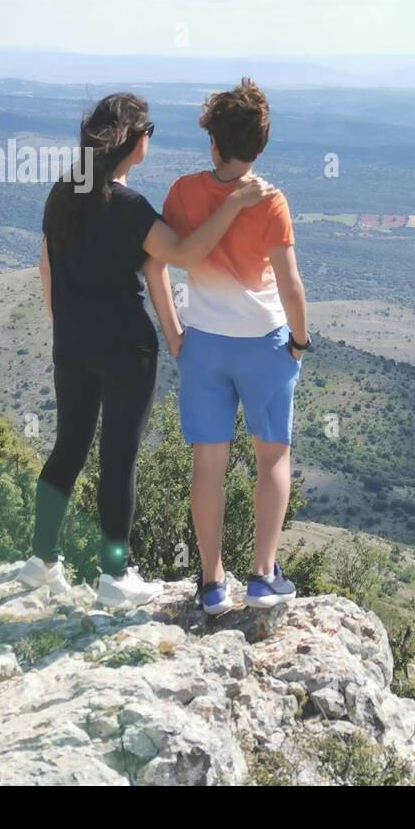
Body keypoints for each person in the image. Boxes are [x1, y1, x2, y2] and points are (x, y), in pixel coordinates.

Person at [19, 92, 275, 609]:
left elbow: (46, 266)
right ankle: (115, 577)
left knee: (68, 447)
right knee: (119, 457)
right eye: (148, 131)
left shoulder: (63, 193)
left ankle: (40, 560)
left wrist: (63, 325)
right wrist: (235, 203)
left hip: (71, 343)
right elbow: (184, 253)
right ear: (137, 142)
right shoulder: (129, 208)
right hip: (125, 349)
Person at [152, 78, 309, 615]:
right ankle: (264, 575)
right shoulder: (271, 200)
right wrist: (301, 340)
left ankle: (213, 582)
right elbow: (290, 284)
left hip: (203, 346)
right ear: (260, 145)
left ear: (213, 142)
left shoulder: (182, 192)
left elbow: (155, 264)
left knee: (208, 464)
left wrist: (174, 332)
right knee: (272, 457)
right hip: (264, 345)